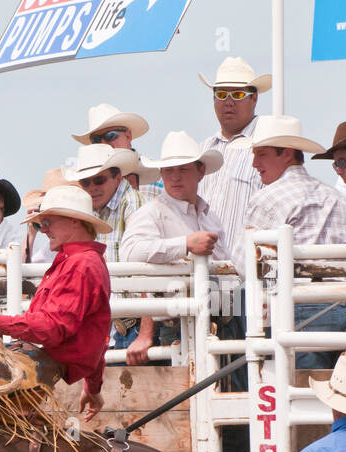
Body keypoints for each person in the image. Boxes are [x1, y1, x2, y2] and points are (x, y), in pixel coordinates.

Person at [0, 185, 112, 421]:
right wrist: (93, 387)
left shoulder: (80, 265)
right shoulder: (80, 262)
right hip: (36, 362)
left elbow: (53, 328)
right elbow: (94, 330)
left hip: (38, 364)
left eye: (48, 222)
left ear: (75, 221)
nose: (43, 229)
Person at [243, 115, 346, 370]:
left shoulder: (267, 199)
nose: (254, 163)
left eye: (261, 154)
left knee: (303, 390)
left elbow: (246, 263)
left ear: (286, 154)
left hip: (300, 307)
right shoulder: (341, 199)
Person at [119, 132, 231, 365]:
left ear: (200, 172)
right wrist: (185, 244)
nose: (175, 177)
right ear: (161, 173)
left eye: (183, 169)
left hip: (217, 322)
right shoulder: (152, 213)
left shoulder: (210, 217)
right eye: (169, 170)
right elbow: (130, 252)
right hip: (174, 327)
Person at [67, 143, 146, 356]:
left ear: (117, 178)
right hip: (111, 325)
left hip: (131, 323)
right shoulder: (96, 210)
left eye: (99, 180)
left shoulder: (132, 202)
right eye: (86, 182)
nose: (93, 187)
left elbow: (143, 265)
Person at [197, 57, 270, 259]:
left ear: (254, 98)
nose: (228, 102)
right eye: (221, 94)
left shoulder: (267, 147)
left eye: (237, 94)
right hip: (204, 269)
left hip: (249, 271)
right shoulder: (201, 151)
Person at [71, 103, 162, 196]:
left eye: (110, 136)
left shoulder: (160, 173)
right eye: (96, 139)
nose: (103, 143)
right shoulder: (85, 182)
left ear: (128, 135)